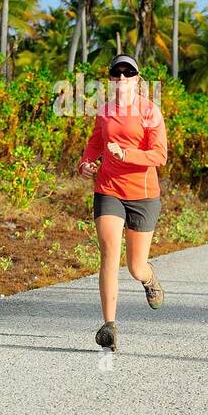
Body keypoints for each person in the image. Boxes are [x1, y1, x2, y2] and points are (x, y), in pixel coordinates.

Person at [77, 54, 167, 352]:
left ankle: (149, 277)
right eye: (116, 73)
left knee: (135, 266)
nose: (122, 78)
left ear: (138, 79)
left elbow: (159, 156)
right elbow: (95, 142)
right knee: (108, 254)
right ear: (111, 79)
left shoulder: (149, 112)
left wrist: (127, 155)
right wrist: (87, 163)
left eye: (128, 73)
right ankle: (109, 326)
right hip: (109, 189)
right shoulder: (104, 111)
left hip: (142, 194)